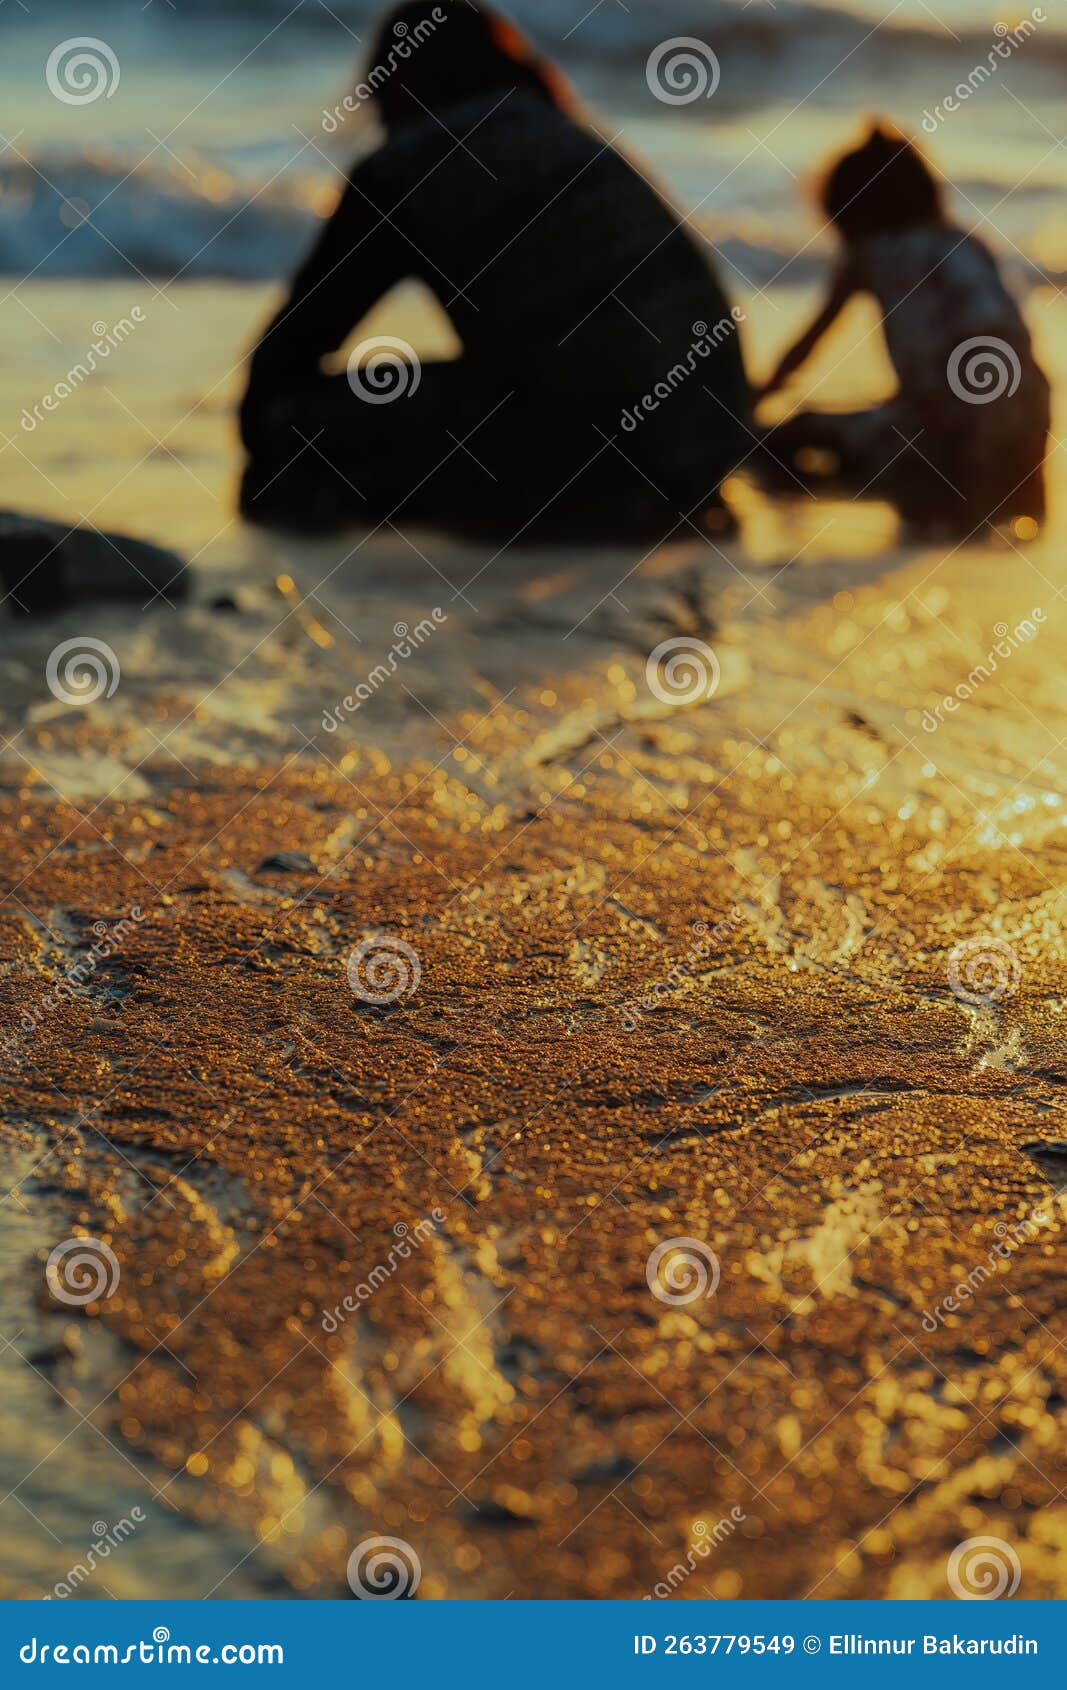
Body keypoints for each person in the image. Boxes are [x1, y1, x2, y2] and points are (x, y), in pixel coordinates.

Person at [238, 0, 749, 542]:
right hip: (709, 447)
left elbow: (287, 356)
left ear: (396, 82)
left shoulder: (408, 164)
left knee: (293, 431)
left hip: (592, 461)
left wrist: (267, 447)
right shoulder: (563, 135)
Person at [757, 123, 1050, 532]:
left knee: (793, 434)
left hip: (940, 421)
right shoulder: (964, 243)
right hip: (1026, 405)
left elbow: (808, 344)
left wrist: (757, 395)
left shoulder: (871, 255)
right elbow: (1000, 330)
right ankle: (1013, 511)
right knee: (1012, 509)